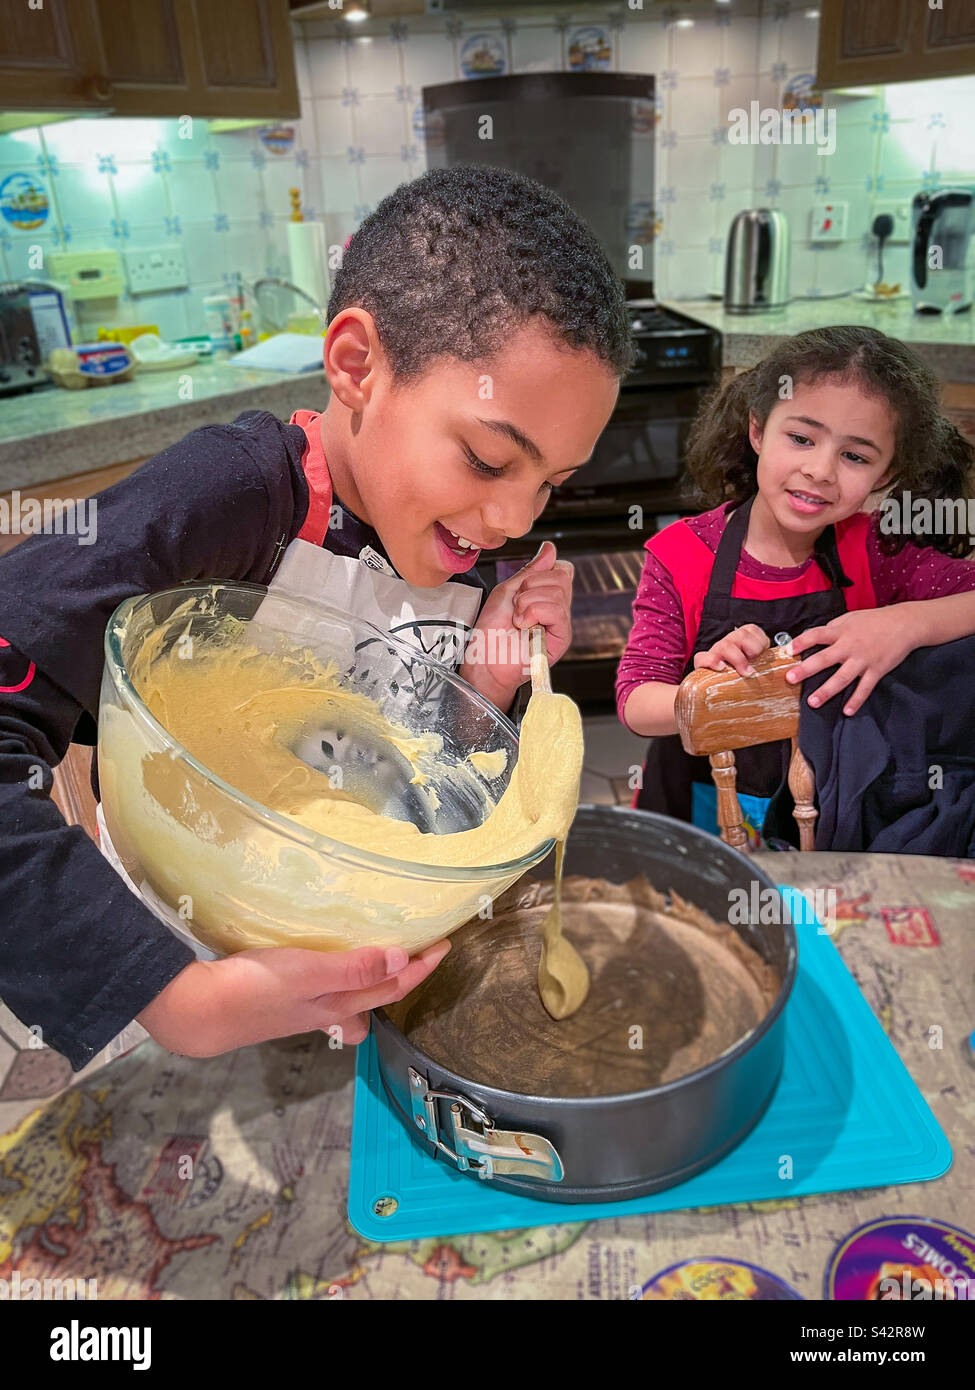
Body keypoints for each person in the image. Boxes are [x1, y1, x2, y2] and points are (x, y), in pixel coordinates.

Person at [0, 164, 631, 1071]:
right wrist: (169, 994)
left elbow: (397, 756)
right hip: (168, 967)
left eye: (550, 486)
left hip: (359, 963)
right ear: (356, 366)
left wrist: (487, 679)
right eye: (490, 461)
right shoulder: (230, 497)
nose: (515, 520)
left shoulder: (467, 547)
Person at [617, 325, 975, 840]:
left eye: (855, 456)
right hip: (703, 800)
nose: (820, 470)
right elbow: (635, 700)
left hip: (828, 809)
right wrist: (712, 691)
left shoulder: (876, 552)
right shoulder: (683, 555)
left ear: (884, 474)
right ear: (758, 431)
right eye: (801, 438)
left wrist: (905, 623)